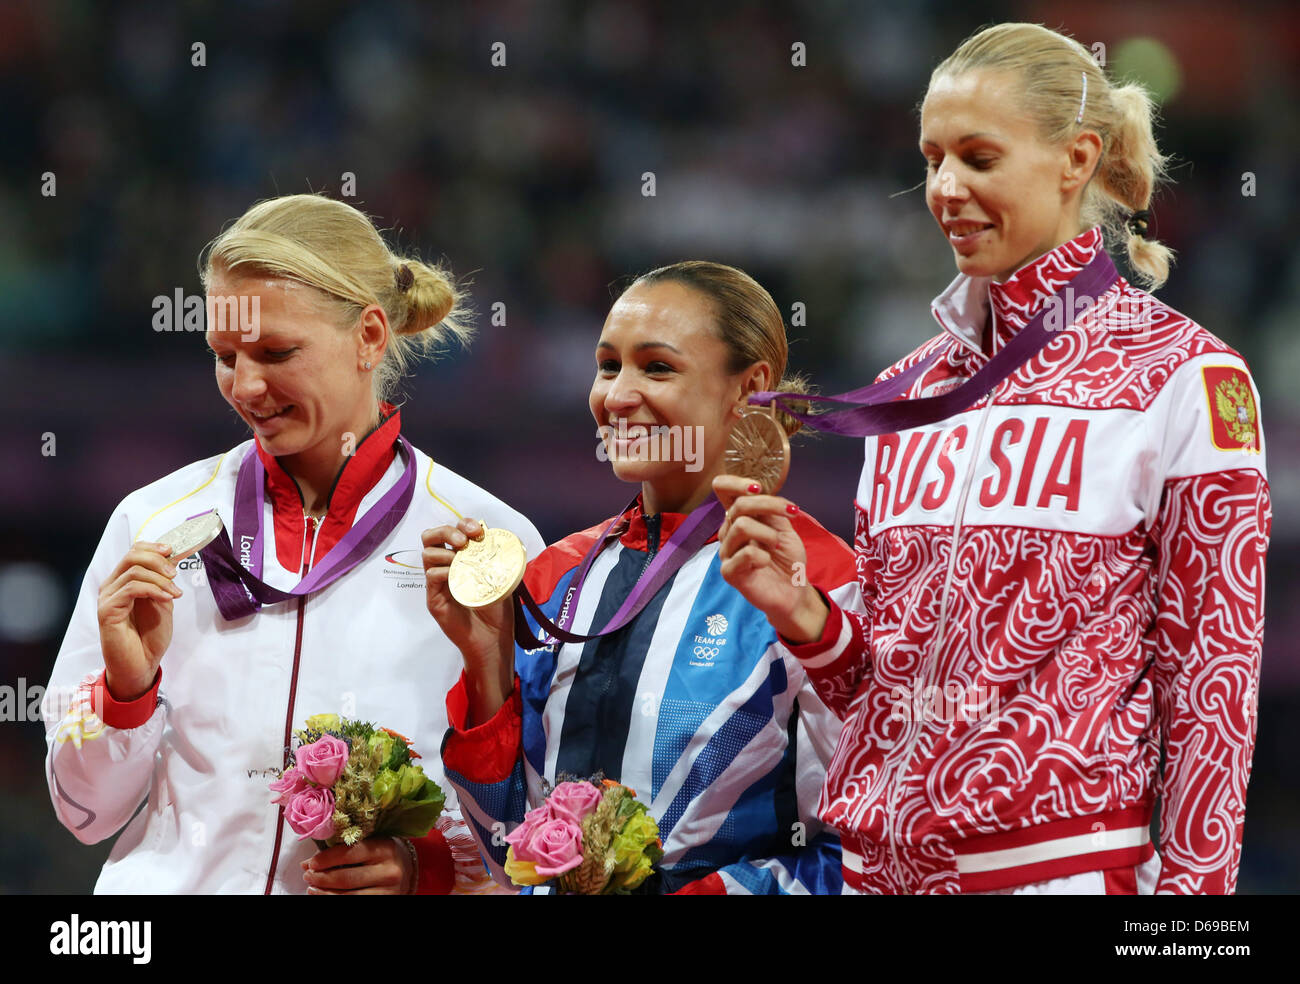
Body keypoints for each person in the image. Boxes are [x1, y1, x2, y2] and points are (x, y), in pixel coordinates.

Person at [715, 22, 1271, 894]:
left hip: (1058, 875)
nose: (945, 189)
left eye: (978, 157)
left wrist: (1193, 923)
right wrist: (810, 620)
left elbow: (1213, 687)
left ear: (1076, 159)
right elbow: (880, 689)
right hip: (869, 875)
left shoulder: (1184, 379)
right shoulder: (905, 394)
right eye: (932, 158)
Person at [43, 193, 544, 894]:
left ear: (371, 336)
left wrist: (423, 870)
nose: (246, 386)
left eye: (277, 352)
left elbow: (532, 828)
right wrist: (126, 694)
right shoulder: (151, 522)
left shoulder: (488, 543)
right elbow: (84, 813)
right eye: (225, 355)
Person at [424, 261, 855, 894]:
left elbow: (866, 846)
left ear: (750, 386)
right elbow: (504, 853)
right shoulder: (556, 577)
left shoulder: (823, 578)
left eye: (657, 367)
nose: (617, 396)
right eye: (607, 365)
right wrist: (486, 663)